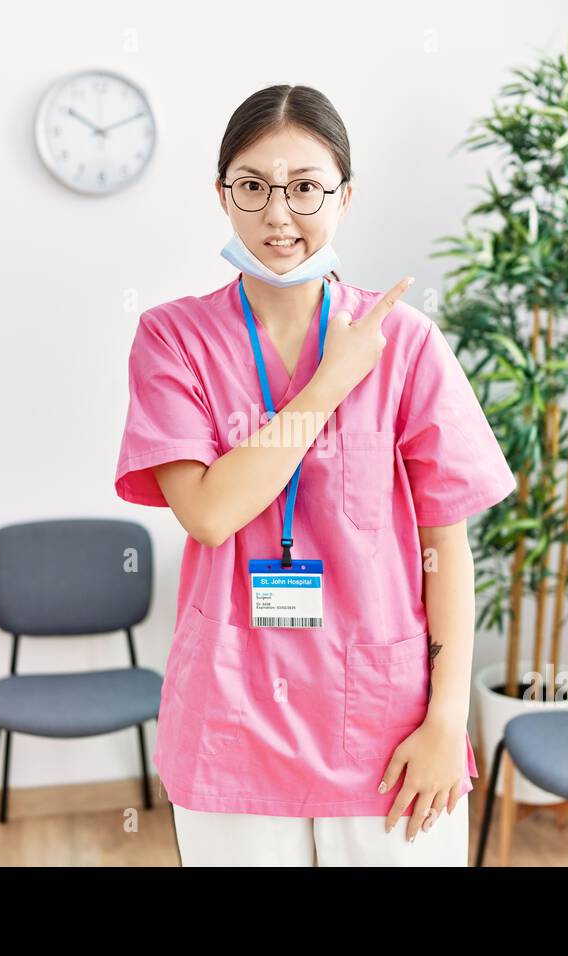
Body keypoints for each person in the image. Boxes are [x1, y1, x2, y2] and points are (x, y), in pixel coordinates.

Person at [114, 84, 517, 866]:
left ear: (345, 195)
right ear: (223, 194)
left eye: (305, 187)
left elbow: (448, 548)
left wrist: (444, 720)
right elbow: (207, 513)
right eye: (253, 186)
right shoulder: (173, 340)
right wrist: (330, 383)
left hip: (385, 723)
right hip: (232, 717)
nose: (278, 214)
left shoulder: (405, 342)